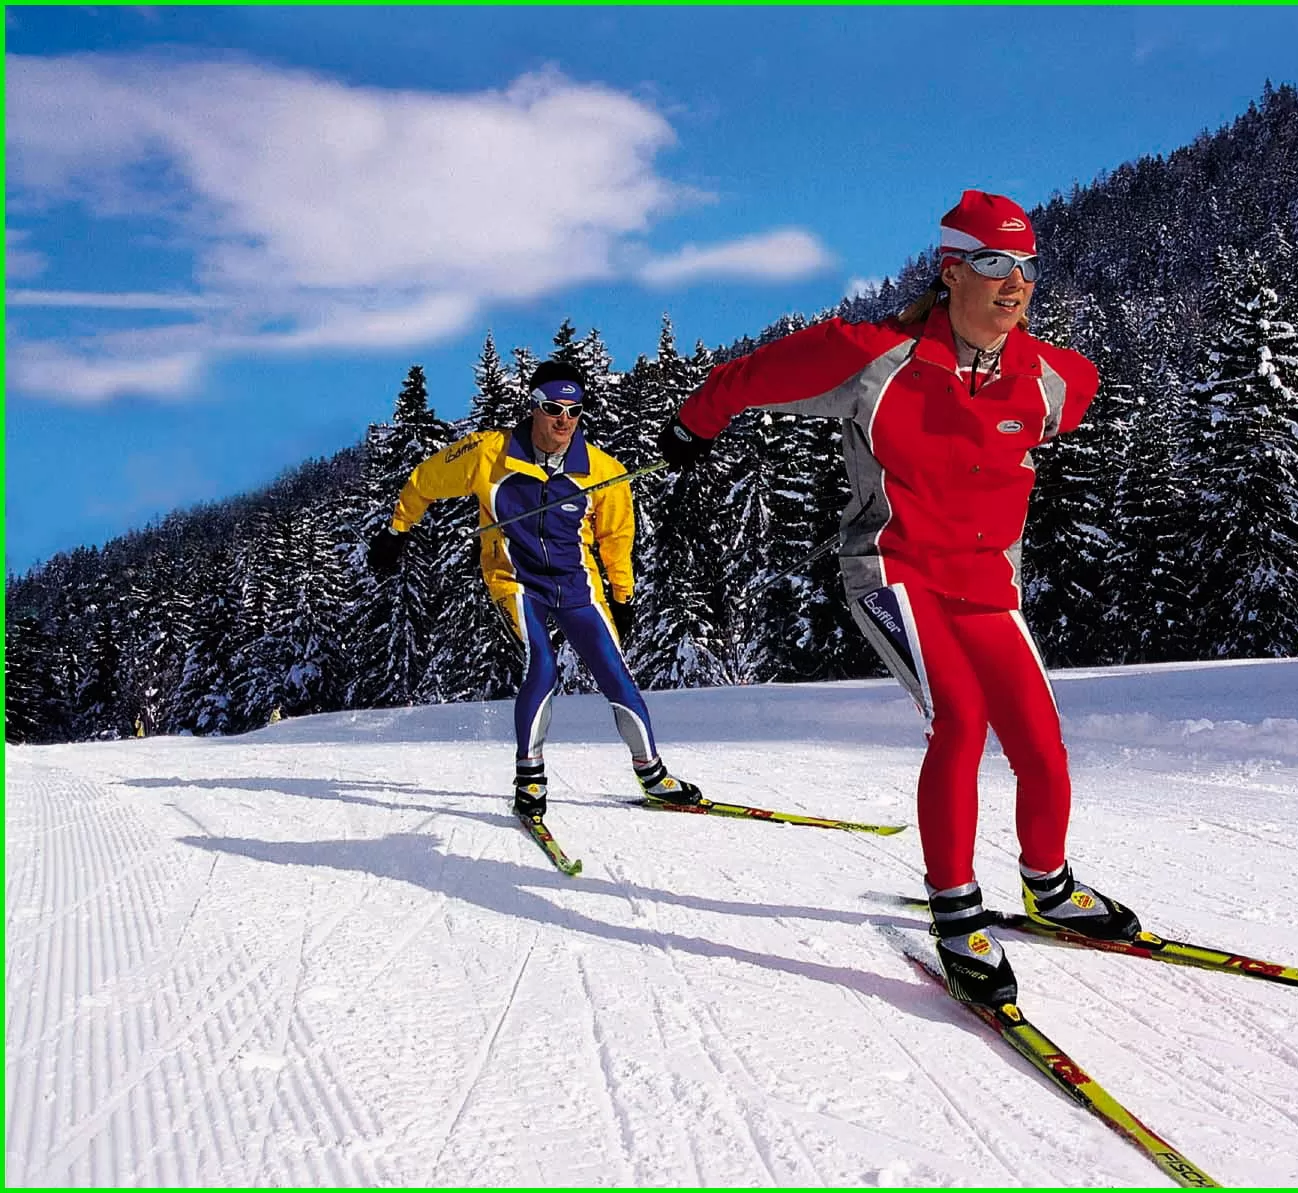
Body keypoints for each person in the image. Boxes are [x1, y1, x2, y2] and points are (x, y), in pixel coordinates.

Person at [657, 190, 1139, 1006]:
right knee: (961, 715)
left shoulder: (1054, 379)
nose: (1013, 283)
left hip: (988, 586)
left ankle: (1049, 886)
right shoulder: (871, 355)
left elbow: (1074, 391)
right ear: (950, 272)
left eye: (1026, 266)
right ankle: (957, 916)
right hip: (892, 572)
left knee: (1040, 737)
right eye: (992, 264)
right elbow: (749, 377)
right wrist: (693, 427)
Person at [368, 360, 702, 825]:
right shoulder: (490, 454)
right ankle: (530, 779)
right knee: (540, 664)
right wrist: (398, 529)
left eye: (574, 410)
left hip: (576, 584)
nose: (563, 420)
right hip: (516, 581)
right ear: (534, 407)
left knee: (615, 672)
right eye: (552, 408)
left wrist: (623, 597)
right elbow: (426, 480)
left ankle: (654, 777)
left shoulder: (603, 471)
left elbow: (616, 540)